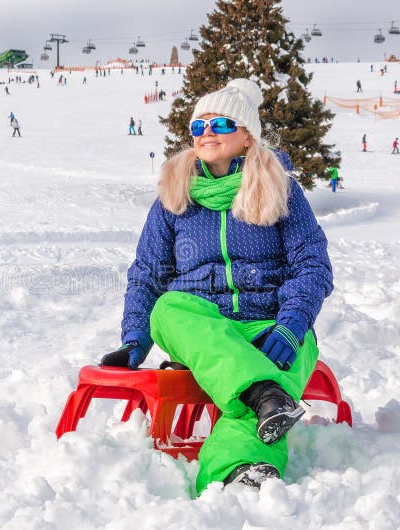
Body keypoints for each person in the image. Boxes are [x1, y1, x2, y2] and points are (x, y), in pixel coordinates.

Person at [99, 78, 333, 493]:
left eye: (221, 124)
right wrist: (135, 337)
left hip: (272, 328)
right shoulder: (174, 196)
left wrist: (292, 324)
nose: (207, 132)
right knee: (169, 308)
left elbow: (312, 264)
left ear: (247, 137)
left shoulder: (281, 190)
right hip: (202, 328)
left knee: (273, 378)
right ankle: (264, 392)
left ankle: (236, 471)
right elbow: (148, 274)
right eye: (199, 126)